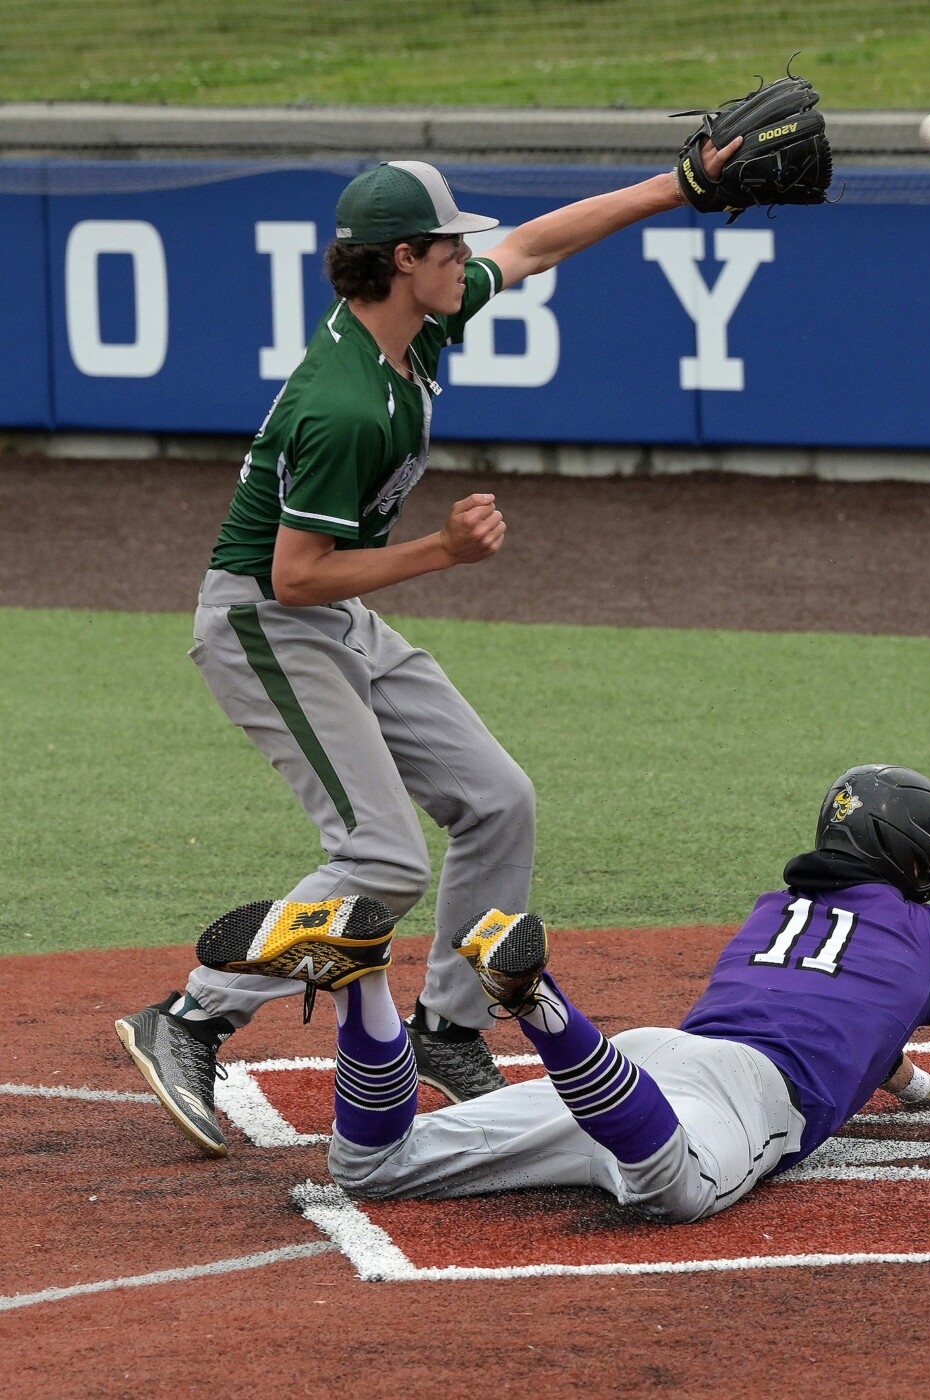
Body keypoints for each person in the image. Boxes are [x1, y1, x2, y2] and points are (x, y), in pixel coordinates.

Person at [116, 141, 742, 1158]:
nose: (468, 253)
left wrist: (683, 184)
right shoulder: (343, 403)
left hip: (334, 618)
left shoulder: (417, 324)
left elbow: (538, 246)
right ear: (406, 259)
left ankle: (449, 1026)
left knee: (498, 800)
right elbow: (296, 576)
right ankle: (190, 1016)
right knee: (381, 854)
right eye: (450, 243)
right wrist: (441, 551)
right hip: (264, 624)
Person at [191, 766, 930, 1215]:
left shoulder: (774, 910)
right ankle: (539, 1004)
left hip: (650, 1056)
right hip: (722, 1099)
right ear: (914, 859)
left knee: (376, 1169)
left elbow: (851, 1017)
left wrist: (918, 1089)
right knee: (673, 1189)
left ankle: (364, 982)